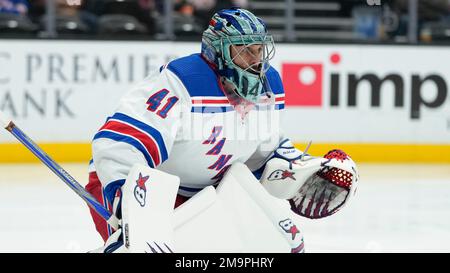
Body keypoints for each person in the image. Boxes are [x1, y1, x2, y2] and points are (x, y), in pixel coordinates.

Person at [85, 7, 359, 252]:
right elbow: (121, 144)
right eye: (244, 50)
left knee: (277, 245)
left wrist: (301, 174)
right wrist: (131, 207)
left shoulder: (269, 86)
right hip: (138, 186)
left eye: (258, 50)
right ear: (217, 51)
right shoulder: (183, 81)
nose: (255, 60)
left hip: (206, 197)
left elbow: (260, 156)